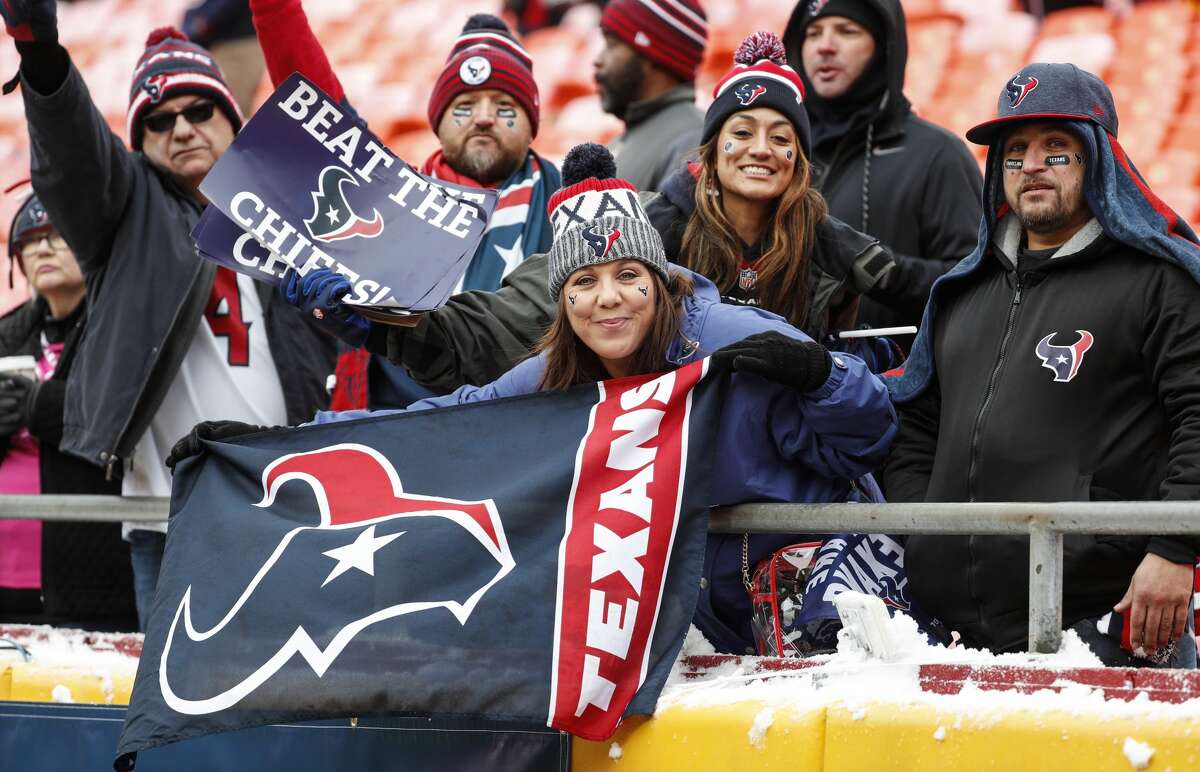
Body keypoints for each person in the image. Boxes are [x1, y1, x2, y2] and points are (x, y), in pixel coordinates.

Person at [172, 143, 898, 655]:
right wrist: (270, 447)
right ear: (562, 298)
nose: (607, 299)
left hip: (824, 584)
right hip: (699, 605)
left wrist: (817, 372)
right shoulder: (558, 374)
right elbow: (449, 427)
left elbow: (868, 438)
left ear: (657, 276)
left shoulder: (732, 338)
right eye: (583, 283)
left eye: (626, 276)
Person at [2, 7, 336, 630]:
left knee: (286, 701)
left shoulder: (286, 214)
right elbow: (73, 155)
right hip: (166, 513)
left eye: (198, 111)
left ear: (233, 121)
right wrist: (41, 53)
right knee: (178, 709)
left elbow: (328, 117)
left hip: (284, 504)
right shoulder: (124, 211)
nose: (180, 128)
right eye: (157, 121)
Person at [884, 63, 1200, 666]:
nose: (1031, 164)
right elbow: (918, 425)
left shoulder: (1160, 281)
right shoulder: (959, 292)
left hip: (1104, 621)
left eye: (1057, 148)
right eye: (1015, 150)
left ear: (1099, 160)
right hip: (951, 630)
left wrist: (1176, 546)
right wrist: (926, 534)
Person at [250, 0, 561, 407]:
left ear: (532, 124)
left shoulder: (569, 199)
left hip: (528, 423)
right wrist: (273, 9)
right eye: (464, 107)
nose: (483, 118)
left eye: (505, 108)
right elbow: (314, 104)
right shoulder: (391, 195)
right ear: (437, 123)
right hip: (402, 429)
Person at [645, 32, 900, 369]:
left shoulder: (833, 254)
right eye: (742, 133)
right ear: (712, 152)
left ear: (797, 160)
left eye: (780, 137)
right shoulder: (654, 232)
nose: (762, 149)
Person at [782, 0, 982, 332]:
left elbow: (976, 288)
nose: (825, 46)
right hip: (780, 377)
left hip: (889, 378)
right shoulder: (779, 151)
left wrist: (878, 271)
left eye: (847, 31)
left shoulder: (938, 154)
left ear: (883, 48)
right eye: (813, 33)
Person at [0, 192, 136, 630]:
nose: (42, 248)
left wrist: (39, 406)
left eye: (57, 236)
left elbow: (123, 416)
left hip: (93, 574)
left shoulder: (123, 330)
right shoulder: (6, 332)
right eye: (29, 240)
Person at [594, 0, 707, 192]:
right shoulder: (622, 140)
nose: (598, 60)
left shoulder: (693, 142)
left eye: (612, 45)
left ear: (653, 57)